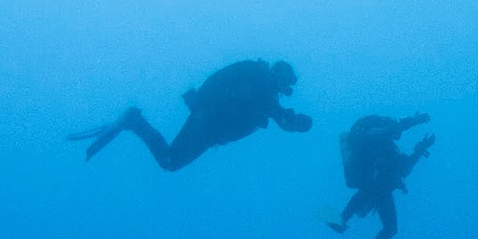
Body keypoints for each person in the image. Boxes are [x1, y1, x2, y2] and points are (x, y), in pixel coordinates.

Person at [70, 59, 312, 170]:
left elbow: (274, 114)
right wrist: (290, 119)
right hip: (207, 123)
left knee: (170, 160)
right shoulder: (262, 82)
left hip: (208, 126)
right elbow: (269, 109)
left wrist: (294, 122)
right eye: (285, 83)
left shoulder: (264, 89)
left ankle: (134, 121)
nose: (284, 90)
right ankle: (134, 121)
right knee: (170, 161)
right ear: (278, 75)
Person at [326, 113, 434, 239]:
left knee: (391, 228)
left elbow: (404, 166)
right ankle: (342, 219)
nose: (395, 137)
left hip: (381, 190)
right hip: (372, 186)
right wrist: (412, 121)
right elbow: (385, 132)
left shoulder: (388, 148)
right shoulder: (371, 137)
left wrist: (420, 150)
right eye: (394, 133)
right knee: (369, 191)